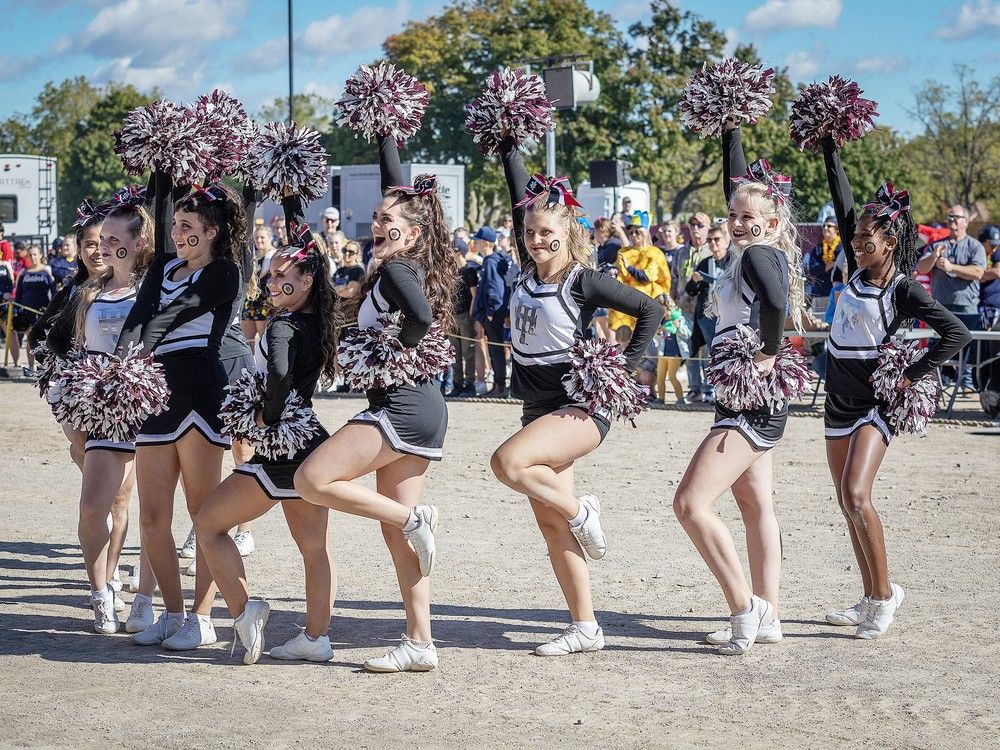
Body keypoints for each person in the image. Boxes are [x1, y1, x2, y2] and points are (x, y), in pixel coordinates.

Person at [490, 137, 660, 656]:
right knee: (549, 520)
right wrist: (508, 143)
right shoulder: (526, 267)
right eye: (531, 232)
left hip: (580, 407)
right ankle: (586, 627)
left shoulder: (583, 282)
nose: (537, 240)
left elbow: (651, 311)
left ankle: (584, 510)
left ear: (569, 233)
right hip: (537, 407)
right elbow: (520, 189)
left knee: (507, 463)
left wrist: (624, 373)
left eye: (548, 233)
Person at [293, 131, 451, 674]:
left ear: (411, 236)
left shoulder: (401, 270)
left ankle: (413, 518)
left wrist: (392, 351)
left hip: (402, 405)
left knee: (312, 480)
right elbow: (399, 190)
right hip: (421, 408)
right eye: (378, 217)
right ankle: (421, 643)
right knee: (393, 531)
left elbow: (423, 319)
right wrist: (386, 135)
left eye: (391, 221)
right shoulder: (389, 268)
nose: (379, 225)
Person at [819, 135, 970, 639]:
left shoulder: (901, 287)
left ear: (891, 242)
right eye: (856, 236)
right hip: (836, 400)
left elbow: (956, 332)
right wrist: (829, 148)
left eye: (868, 238)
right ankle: (868, 596)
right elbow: (841, 196)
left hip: (874, 403)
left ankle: (885, 597)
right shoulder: (855, 267)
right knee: (844, 500)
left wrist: (914, 372)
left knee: (858, 495)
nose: (858, 242)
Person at [673, 120, 807, 655]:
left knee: (690, 503)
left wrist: (769, 355)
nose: (736, 221)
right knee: (755, 504)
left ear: (772, 222)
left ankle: (744, 606)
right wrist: (730, 131)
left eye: (747, 215)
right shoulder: (752, 253)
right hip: (749, 396)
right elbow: (770, 303)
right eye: (733, 214)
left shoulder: (757, 253)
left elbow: (775, 305)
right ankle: (769, 613)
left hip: (751, 397)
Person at [195, 223, 338, 664]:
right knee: (315, 551)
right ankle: (316, 638)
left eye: (281, 275)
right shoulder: (318, 318)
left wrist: (265, 416)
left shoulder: (283, 326)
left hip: (282, 447)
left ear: (308, 279)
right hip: (311, 440)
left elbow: (277, 374)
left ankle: (245, 609)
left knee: (207, 524)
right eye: (270, 275)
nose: (272, 283)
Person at [116, 177, 248, 650]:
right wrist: (120, 362)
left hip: (198, 387)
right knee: (153, 514)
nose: (176, 232)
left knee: (203, 511)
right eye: (174, 224)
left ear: (211, 232)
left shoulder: (225, 272)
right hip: (155, 390)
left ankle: (202, 617)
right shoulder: (163, 269)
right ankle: (172, 613)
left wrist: (139, 353)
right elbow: (140, 315)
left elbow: (179, 314)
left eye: (187, 225)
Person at [46, 195, 155, 634]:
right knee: (94, 506)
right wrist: (70, 391)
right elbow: (59, 345)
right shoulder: (88, 292)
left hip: (149, 408)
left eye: (112, 239)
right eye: (98, 240)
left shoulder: (155, 288)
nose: (102, 247)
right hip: (103, 410)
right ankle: (100, 590)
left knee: (150, 510)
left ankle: (146, 599)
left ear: (138, 242)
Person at [915, 205, 986, 390]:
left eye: (957, 217)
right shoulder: (937, 244)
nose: (952, 220)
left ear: (966, 222)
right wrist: (934, 257)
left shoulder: (974, 246)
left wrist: (952, 267)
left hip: (966, 307)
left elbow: (978, 272)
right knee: (937, 348)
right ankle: (937, 387)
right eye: (950, 216)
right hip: (940, 308)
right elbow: (921, 268)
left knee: (966, 351)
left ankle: (967, 384)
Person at [684, 223, 733, 404]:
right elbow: (690, 290)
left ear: (725, 240)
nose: (713, 243)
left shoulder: (732, 261)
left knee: (726, 351)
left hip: (729, 313)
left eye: (716, 239)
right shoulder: (706, 262)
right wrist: (695, 281)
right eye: (710, 240)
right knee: (710, 351)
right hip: (707, 315)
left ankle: (726, 387)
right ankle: (710, 389)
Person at [609, 214, 671, 332]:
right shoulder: (623, 252)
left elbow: (648, 276)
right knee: (623, 342)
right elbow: (622, 276)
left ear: (645, 232)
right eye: (631, 232)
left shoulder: (654, 252)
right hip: (626, 305)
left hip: (648, 304)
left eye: (637, 232)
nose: (633, 235)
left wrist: (630, 268)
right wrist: (614, 273)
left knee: (649, 345)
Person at [471, 225, 511, 398]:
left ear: (486, 243)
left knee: (495, 350)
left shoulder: (491, 261)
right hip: (491, 313)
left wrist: (491, 311)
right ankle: (498, 384)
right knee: (494, 350)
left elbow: (495, 288)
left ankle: (500, 387)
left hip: (493, 314)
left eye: (478, 240)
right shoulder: (490, 260)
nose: (475, 243)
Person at [675, 213, 710, 401]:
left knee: (706, 350)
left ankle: (708, 388)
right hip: (684, 310)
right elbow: (674, 278)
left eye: (700, 225)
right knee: (688, 350)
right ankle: (695, 387)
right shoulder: (681, 252)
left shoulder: (711, 251)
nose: (695, 229)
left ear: (708, 228)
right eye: (692, 225)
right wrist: (675, 300)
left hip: (706, 310)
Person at [11, 244, 57, 374]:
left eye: (35, 254)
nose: (32, 257)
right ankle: (31, 367)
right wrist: (18, 311)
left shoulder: (47, 270)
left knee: (44, 340)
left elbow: (53, 292)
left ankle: (47, 367)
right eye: (30, 254)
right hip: (26, 311)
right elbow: (18, 294)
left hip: (43, 312)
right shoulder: (23, 272)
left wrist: (52, 310)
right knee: (30, 339)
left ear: (41, 255)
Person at [448, 242, 478, 397]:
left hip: (465, 316)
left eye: (452, 250)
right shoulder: (451, 271)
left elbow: (474, 296)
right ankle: (457, 384)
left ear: (459, 252)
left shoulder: (470, 271)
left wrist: (471, 316)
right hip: (451, 316)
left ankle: (470, 384)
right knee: (454, 354)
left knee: (468, 352)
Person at [240, 225, 276, 351]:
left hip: (265, 302)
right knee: (246, 340)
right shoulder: (253, 256)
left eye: (262, 237)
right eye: (256, 238)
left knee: (263, 338)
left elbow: (263, 278)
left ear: (270, 238)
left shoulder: (273, 256)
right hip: (250, 301)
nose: (259, 240)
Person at [655, 294, 689, 403]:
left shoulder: (679, 317)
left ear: (667, 306)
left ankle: (680, 399)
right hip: (663, 353)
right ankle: (660, 398)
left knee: (672, 377)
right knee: (660, 377)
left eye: (662, 307)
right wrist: (659, 332)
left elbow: (687, 334)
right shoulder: (661, 320)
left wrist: (679, 327)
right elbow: (658, 338)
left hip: (675, 353)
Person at [805, 219, 840, 315]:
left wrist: (827, 266)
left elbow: (843, 267)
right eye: (824, 225)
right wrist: (830, 265)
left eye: (829, 226)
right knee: (818, 325)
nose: (825, 228)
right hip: (820, 291)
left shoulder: (841, 247)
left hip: (837, 292)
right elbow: (812, 269)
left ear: (836, 229)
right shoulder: (817, 248)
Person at [978, 225, 1000, 330]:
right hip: (977, 302)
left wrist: (978, 274)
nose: (994, 248)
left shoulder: (996, 254)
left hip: (992, 302)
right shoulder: (976, 253)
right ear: (984, 242)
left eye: (996, 245)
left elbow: (997, 272)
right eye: (991, 244)